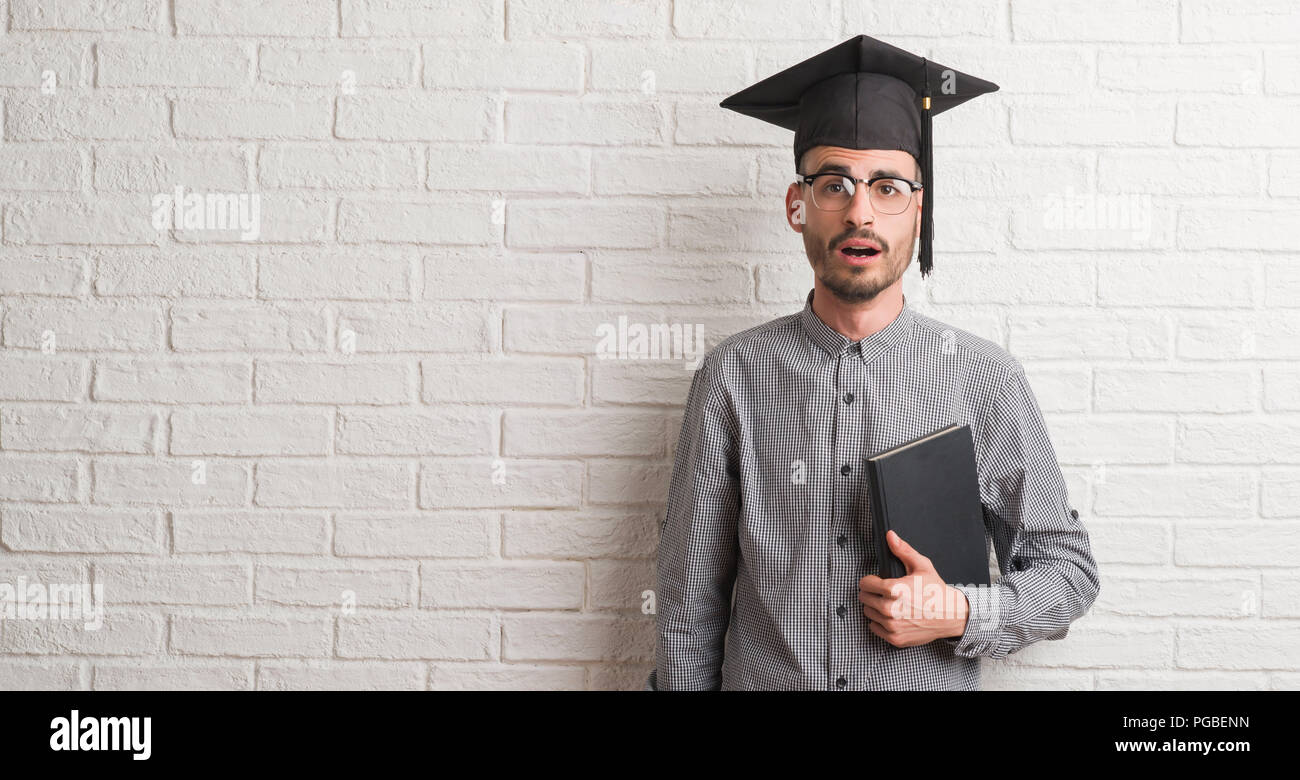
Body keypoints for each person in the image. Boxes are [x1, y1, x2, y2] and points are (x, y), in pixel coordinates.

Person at [646, 35, 1100, 691]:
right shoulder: (732, 377)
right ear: (796, 207)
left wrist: (962, 611)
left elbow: (1067, 568)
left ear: (919, 208)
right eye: (834, 184)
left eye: (887, 187)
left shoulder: (983, 377)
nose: (860, 211)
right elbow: (690, 602)